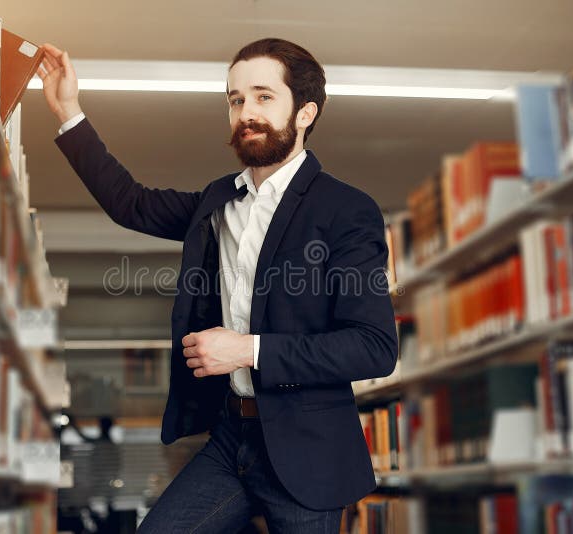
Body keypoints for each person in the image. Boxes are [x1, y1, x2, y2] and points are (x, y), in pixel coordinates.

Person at [39, 37, 398, 533]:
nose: (246, 112)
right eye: (235, 99)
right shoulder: (218, 201)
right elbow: (132, 204)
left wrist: (248, 350)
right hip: (233, 438)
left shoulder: (345, 210)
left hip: (307, 448)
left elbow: (374, 348)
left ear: (305, 113)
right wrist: (69, 111)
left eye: (263, 96)